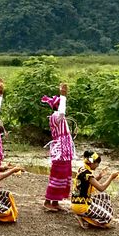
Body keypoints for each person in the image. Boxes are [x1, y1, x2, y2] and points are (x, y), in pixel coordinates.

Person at [42, 83, 75, 212]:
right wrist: (63, 95)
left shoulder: (59, 118)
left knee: (63, 175)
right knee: (57, 175)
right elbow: (62, 111)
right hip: (60, 152)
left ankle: (55, 201)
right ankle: (47, 201)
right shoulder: (56, 116)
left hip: (64, 151)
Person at [72, 150, 119, 229]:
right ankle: (84, 217)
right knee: (108, 217)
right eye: (97, 163)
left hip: (78, 202)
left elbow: (88, 184)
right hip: (81, 206)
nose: (97, 166)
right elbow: (101, 188)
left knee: (105, 196)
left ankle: (84, 216)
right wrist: (111, 177)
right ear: (92, 162)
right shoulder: (87, 174)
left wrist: (99, 176)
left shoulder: (82, 169)